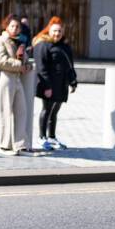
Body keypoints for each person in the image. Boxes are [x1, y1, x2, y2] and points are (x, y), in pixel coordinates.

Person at [32, 15, 77, 151]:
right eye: (54, 31)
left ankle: (51, 136)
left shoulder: (65, 47)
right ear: (49, 32)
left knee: (54, 112)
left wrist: (73, 81)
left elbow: (70, 66)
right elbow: (41, 67)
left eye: (59, 31)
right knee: (46, 110)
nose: (57, 34)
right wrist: (47, 86)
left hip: (61, 85)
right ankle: (41, 137)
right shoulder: (43, 45)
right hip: (49, 85)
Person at [0, 14, 32, 153]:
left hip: (17, 78)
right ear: (6, 26)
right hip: (5, 77)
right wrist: (20, 64)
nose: (15, 28)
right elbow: (0, 60)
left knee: (21, 111)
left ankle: (20, 144)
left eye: (17, 26)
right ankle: (4, 143)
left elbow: (24, 59)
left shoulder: (18, 42)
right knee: (5, 111)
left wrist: (26, 64)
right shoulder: (1, 40)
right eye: (12, 26)